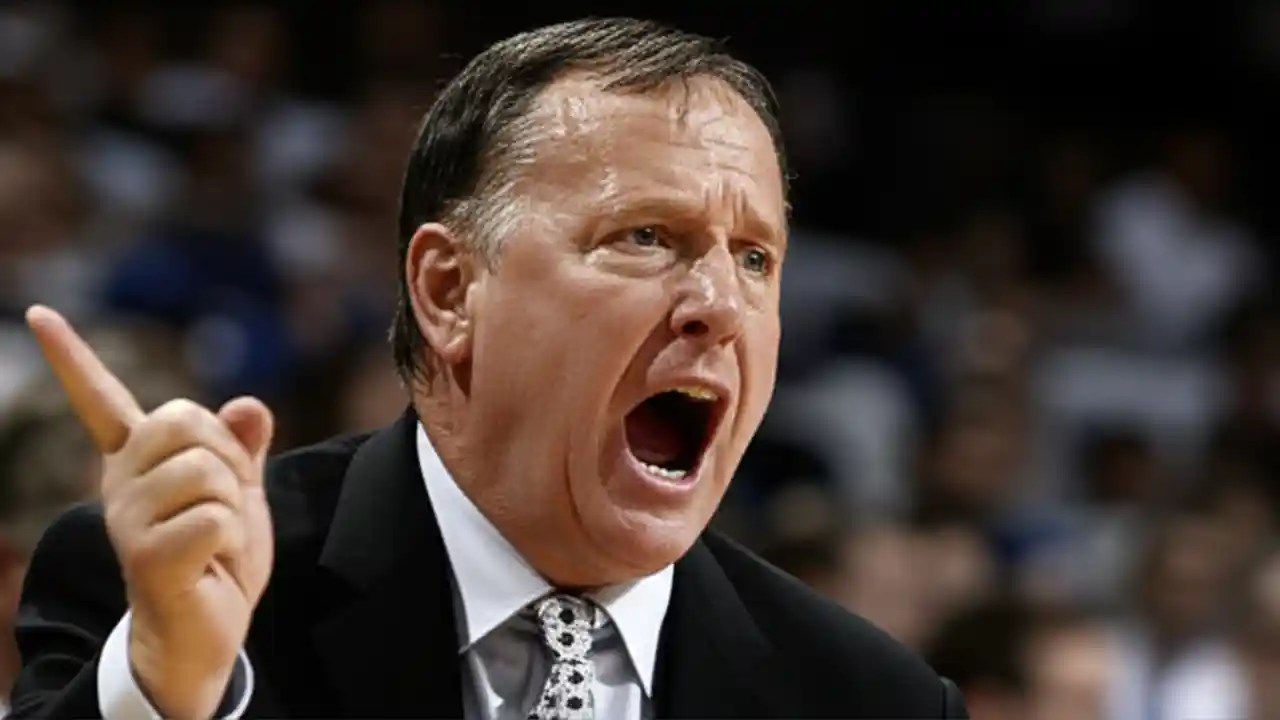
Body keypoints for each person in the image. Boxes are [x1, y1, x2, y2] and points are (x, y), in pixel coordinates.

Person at [9, 17, 967, 719]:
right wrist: (167, 690)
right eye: (645, 236)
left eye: (755, 258)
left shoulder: (873, 699)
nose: (720, 304)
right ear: (449, 290)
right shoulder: (169, 595)